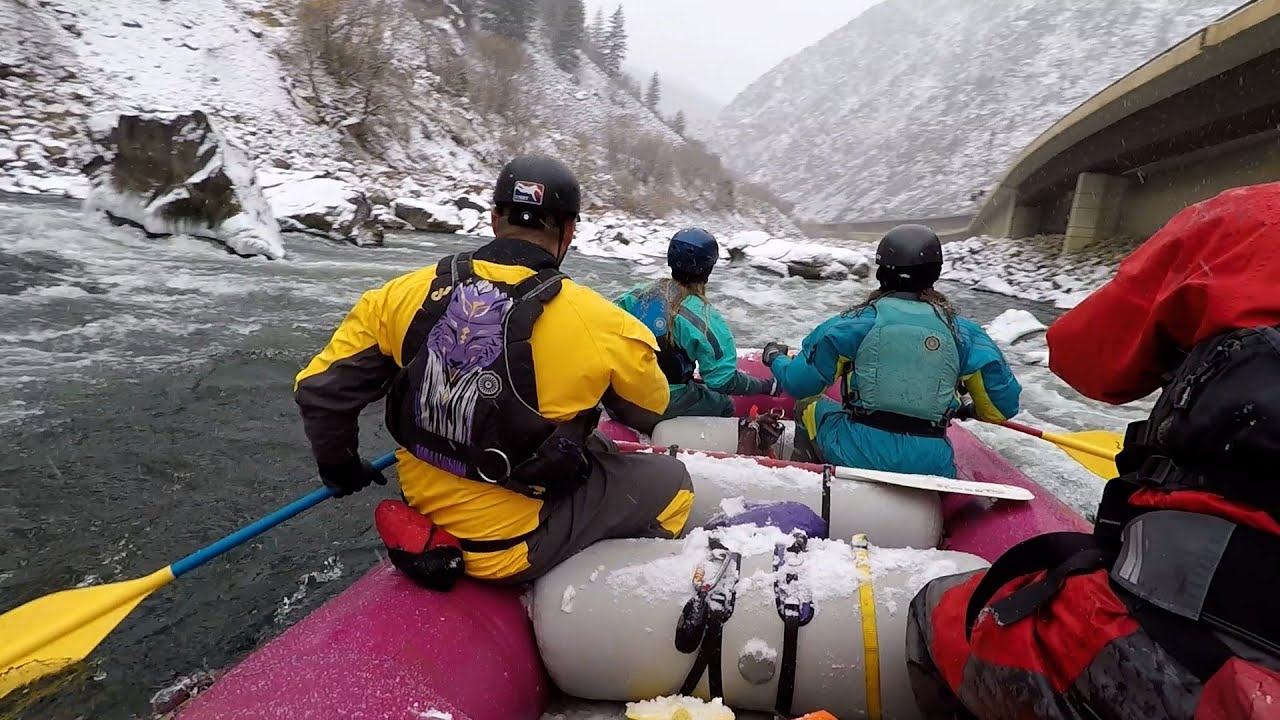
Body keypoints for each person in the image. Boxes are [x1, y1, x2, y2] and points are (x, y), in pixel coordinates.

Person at [906, 182, 1280, 719]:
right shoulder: (961, 332)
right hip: (934, 458)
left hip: (1195, 642)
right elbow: (1002, 404)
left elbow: (1085, 358)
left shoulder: (1250, 220)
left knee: (937, 614)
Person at [294, 155, 695, 589]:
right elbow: (648, 411)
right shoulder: (603, 323)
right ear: (568, 232)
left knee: (591, 444)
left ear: (494, 219)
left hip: (422, 506)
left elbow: (320, 392)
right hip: (509, 546)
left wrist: (341, 467)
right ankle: (602, 597)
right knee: (675, 484)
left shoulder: (400, 294)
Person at [761, 224, 1021, 478]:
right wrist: (968, 409)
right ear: (935, 274)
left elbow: (800, 385)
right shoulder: (965, 334)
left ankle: (807, 483)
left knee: (808, 406)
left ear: (882, 272)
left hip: (859, 451)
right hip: (931, 463)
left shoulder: (853, 324)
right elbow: (1001, 409)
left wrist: (776, 359)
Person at [616, 228, 779, 420]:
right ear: (708, 268)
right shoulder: (704, 319)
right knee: (724, 403)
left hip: (618, 398)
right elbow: (722, 381)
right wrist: (766, 386)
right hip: (657, 404)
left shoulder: (635, 296)